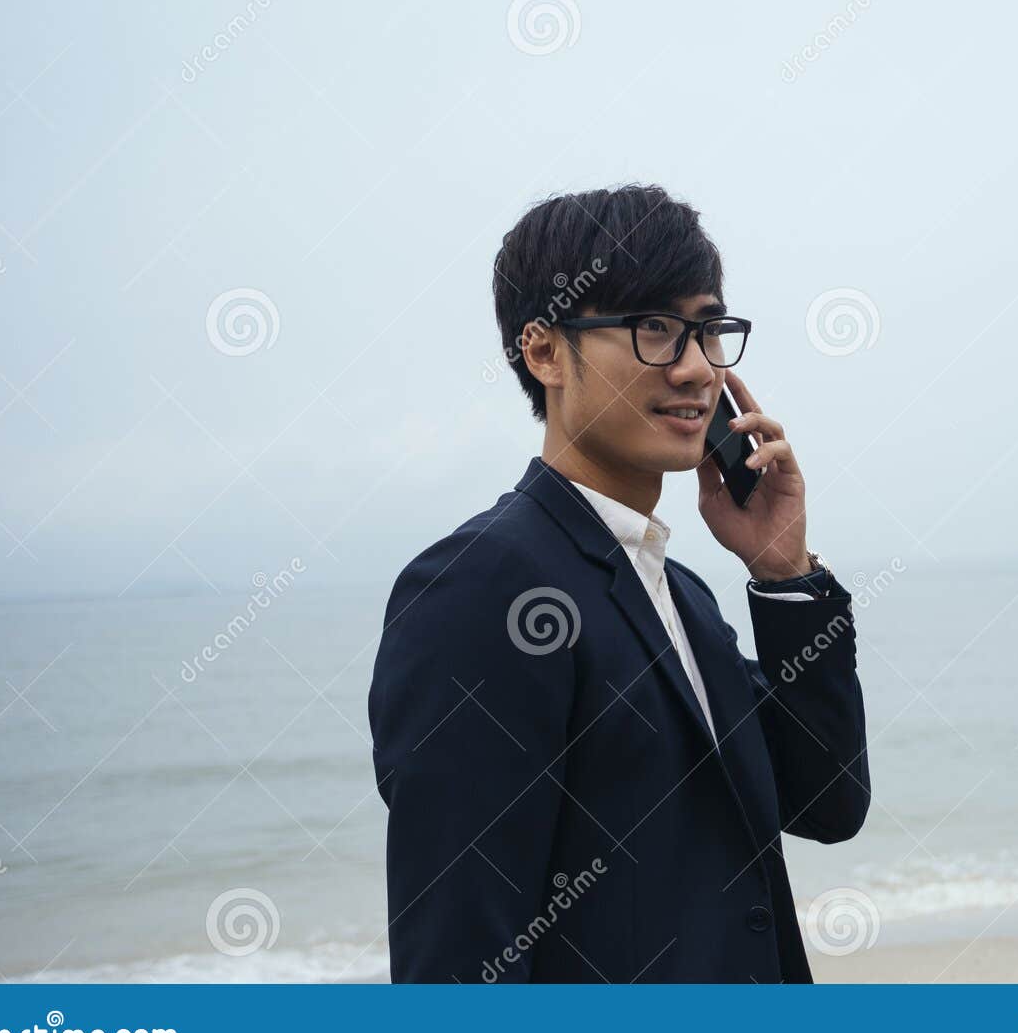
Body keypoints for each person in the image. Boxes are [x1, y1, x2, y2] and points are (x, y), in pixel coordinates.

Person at [367, 184, 870, 982]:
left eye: (708, 330)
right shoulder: (478, 585)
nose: (698, 367)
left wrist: (782, 574)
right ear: (544, 351)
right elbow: (458, 955)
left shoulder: (683, 596)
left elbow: (827, 802)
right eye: (655, 329)